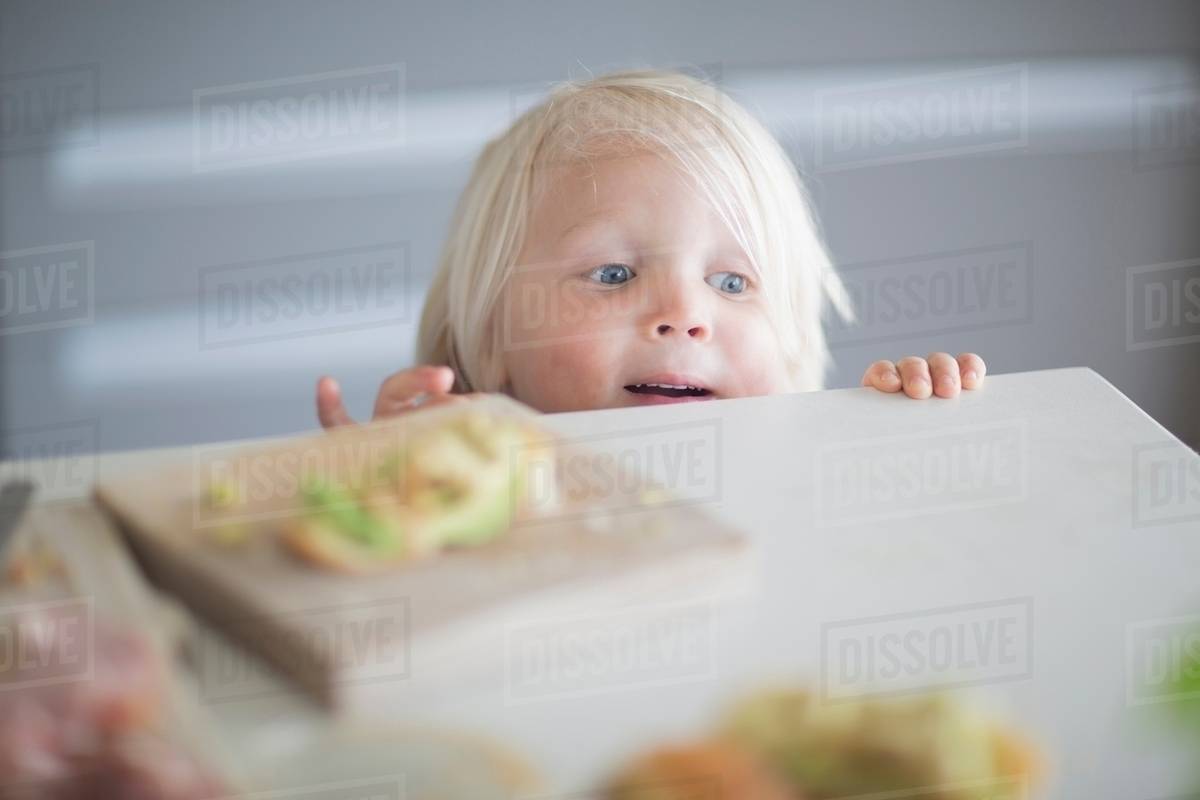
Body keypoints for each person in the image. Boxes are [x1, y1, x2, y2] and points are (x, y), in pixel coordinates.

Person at [314, 70, 985, 428]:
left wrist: (904, 434)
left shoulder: (814, 478)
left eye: (731, 283)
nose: (684, 316)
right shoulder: (464, 488)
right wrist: (397, 490)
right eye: (612, 274)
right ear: (492, 341)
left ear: (791, 349)